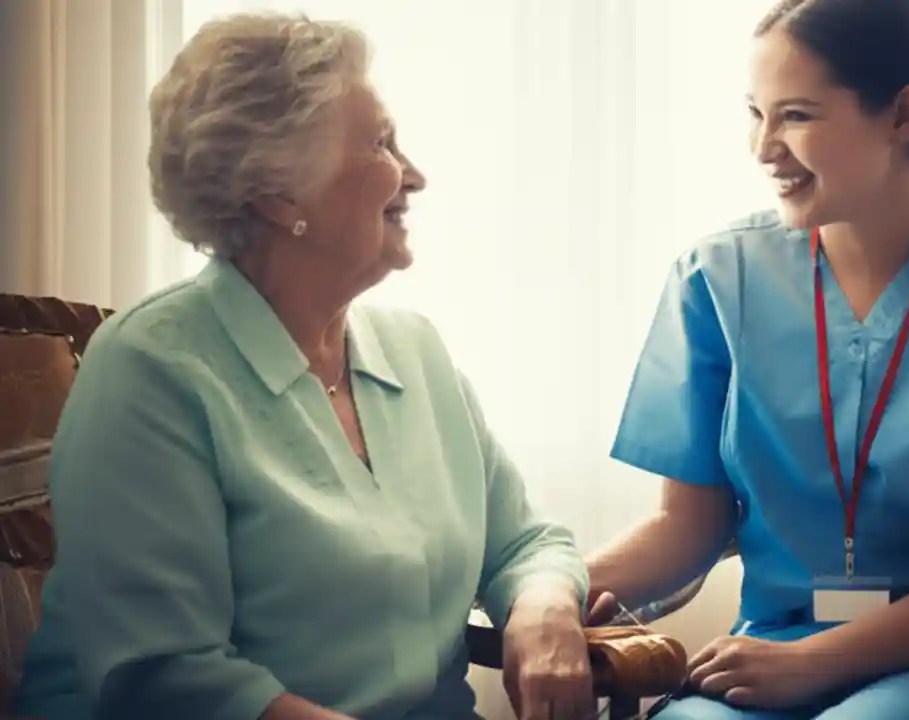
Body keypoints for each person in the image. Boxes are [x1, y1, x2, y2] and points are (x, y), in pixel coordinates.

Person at [14, 13, 594, 720]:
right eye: (381, 143)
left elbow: (526, 542)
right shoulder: (150, 371)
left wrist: (542, 608)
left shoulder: (417, 353)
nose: (414, 175)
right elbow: (167, 676)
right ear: (278, 194)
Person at [586, 0, 909, 717]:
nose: (763, 146)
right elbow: (691, 523)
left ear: (901, 115)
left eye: (796, 116)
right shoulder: (713, 279)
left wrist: (821, 660)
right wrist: (551, 588)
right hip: (778, 646)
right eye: (755, 112)